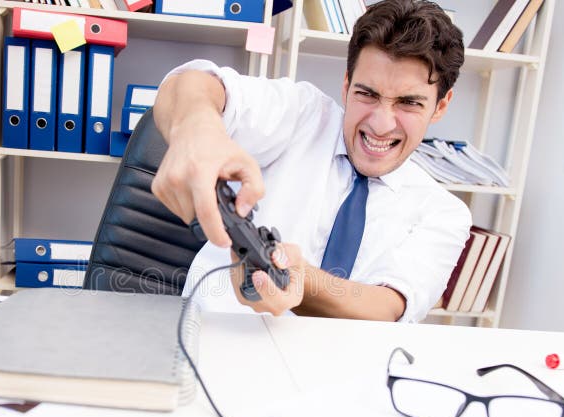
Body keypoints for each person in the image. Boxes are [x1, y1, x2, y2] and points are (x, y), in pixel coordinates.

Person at [150, 0, 471, 322]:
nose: (381, 124)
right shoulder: (301, 115)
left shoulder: (444, 213)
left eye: (409, 103)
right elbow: (191, 82)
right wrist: (196, 127)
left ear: (441, 106)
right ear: (346, 85)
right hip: (209, 344)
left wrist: (300, 278)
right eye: (367, 94)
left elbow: (388, 306)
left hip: (339, 368)